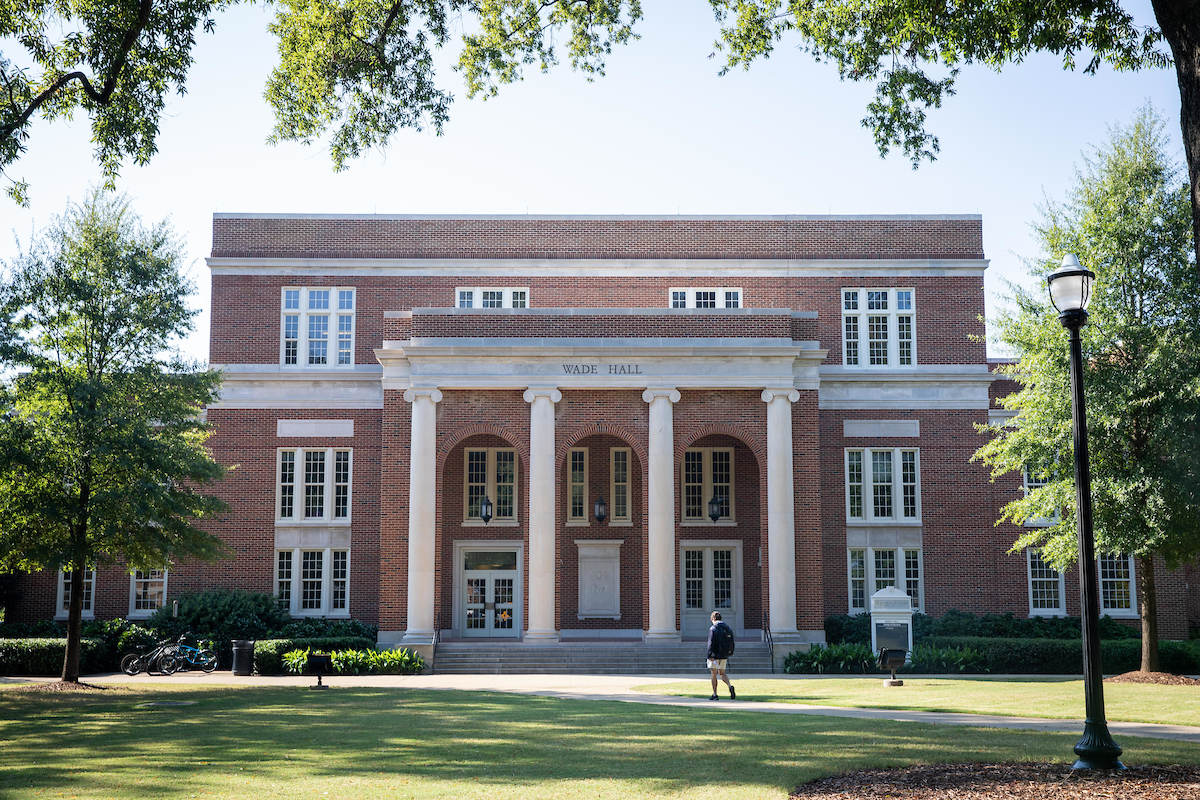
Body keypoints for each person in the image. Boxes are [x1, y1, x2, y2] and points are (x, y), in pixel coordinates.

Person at [706, 610, 736, 700]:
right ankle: (729, 685)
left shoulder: (713, 628)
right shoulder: (727, 628)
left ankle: (715, 694)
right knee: (722, 673)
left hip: (714, 656)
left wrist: (709, 655)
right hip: (724, 654)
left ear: (713, 619)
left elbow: (710, 643)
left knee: (713, 674)